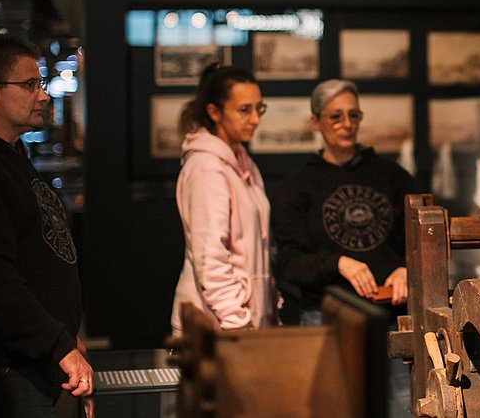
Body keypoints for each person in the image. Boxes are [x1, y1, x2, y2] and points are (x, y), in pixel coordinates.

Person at [0, 35, 92, 416]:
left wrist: (66, 335)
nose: (42, 96)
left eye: (40, 84)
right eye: (29, 85)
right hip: (13, 371)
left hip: (39, 363)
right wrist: (58, 345)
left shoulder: (11, 157)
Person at [271, 79, 412, 326]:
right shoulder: (297, 187)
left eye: (353, 115)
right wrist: (337, 263)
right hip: (325, 316)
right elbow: (289, 264)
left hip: (393, 315)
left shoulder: (393, 177)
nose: (347, 124)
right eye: (336, 117)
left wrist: (407, 269)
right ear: (316, 122)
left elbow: (423, 238)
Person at [170, 64, 276, 333]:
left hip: (243, 324)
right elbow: (212, 257)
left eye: (258, 108)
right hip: (219, 329)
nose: (255, 119)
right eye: (244, 110)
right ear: (214, 112)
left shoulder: (241, 161)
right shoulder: (207, 167)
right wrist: (237, 324)